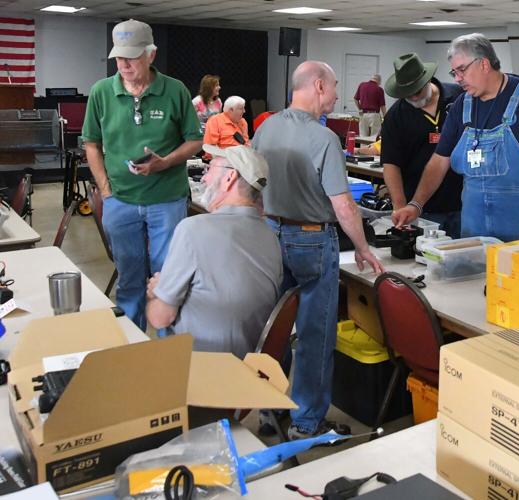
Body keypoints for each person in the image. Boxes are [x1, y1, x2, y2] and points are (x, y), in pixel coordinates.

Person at [253, 60, 384, 440]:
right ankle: (306, 423)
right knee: (315, 333)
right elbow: (343, 204)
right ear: (319, 85)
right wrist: (362, 246)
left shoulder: (265, 128)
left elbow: (253, 186)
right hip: (311, 239)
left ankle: (269, 411)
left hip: (271, 233)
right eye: (336, 86)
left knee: (273, 329)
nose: (340, 95)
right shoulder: (323, 139)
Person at [81, 19, 202, 330]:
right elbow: (91, 143)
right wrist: (106, 191)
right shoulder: (101, 92)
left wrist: (166, 162)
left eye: (131, 57)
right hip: (120, 201)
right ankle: (132, 348)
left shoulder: (174, 90)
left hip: (167, 201)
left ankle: (165, 356)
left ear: (151, 54)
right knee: (129, 280)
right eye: (119, 58)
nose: (123, 65)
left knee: (167, 280)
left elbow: (195, 140)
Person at [391, 33, 519, 243]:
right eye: (454, 72)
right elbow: (440, 160)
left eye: (461, 70)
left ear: (484, 64)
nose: (457, 78)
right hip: (473, 222)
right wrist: (416, 204)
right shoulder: (461, 106)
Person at [146, 145, 280, 359]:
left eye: (210, 169)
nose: (205, 178)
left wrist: (159, 292)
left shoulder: (192, 229)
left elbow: (160, 319)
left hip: (201, 367)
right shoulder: (271, 236)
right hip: (251, 367)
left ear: (229, 178)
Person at [381, 53, 464, 238]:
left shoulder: (459, 98)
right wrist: (400, 206)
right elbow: (391, 164)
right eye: (407, 95)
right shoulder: (396, 116)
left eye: (416, 92)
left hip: (464, 203)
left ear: (426, 81)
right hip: (423, 208)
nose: (413, 98)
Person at [354, 74, 386, 138]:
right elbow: (382, 106)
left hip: (363, 114)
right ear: (379, 81)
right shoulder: (379, 89)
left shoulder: (362, 85)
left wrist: (360, 109)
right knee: (373, 137)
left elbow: (355, 99)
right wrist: (385, 117)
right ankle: (371, 148)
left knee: (363, 137)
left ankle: (363, 147)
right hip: (374, 115)